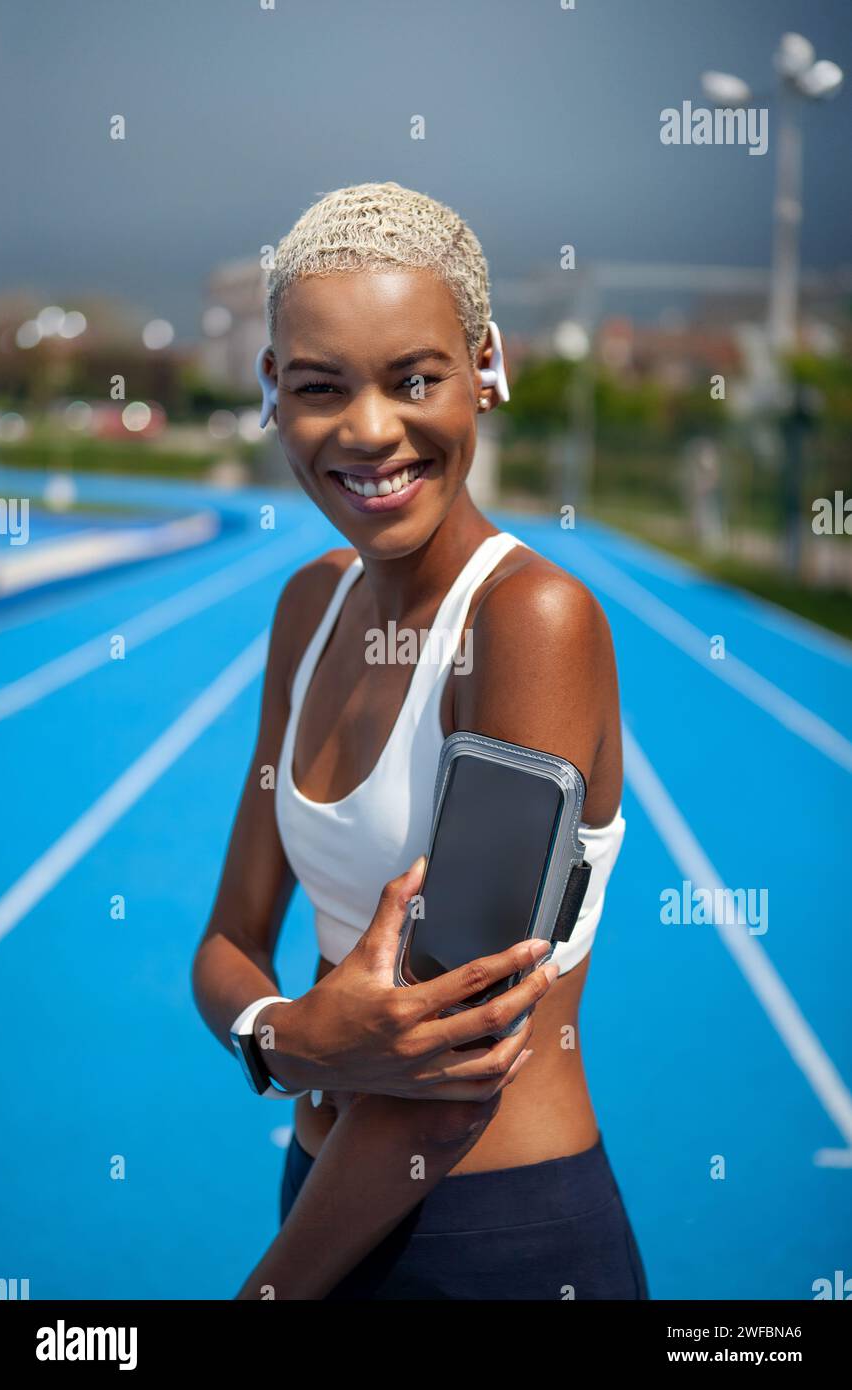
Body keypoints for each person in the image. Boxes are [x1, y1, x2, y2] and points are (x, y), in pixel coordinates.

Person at [192, 182, 648, 1301]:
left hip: (493, 1238)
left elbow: (450, 1068)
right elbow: (227, 940)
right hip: (317, 1196)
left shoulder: (529, 623)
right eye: (318, 387)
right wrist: (285, 1039)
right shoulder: (309, 605)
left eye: (413, 379)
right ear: (270, 393)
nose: (367, 430)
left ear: (485, 368)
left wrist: (264, 1294)